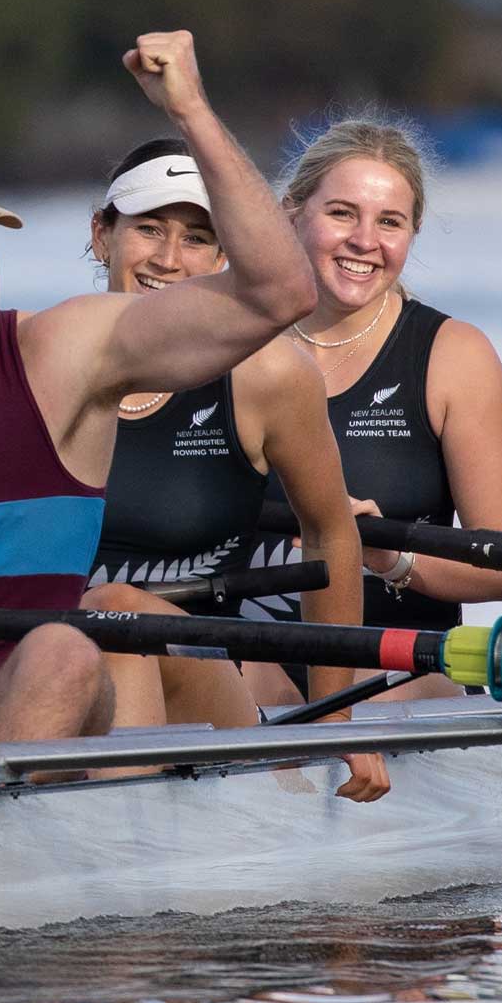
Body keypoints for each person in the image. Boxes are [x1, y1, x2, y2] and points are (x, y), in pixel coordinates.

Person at [0, 31, 318, 751]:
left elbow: (281, 292)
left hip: (39, 702)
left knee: (82, 640)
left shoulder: (58, 355)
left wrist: (190, 111)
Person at [74, 137, 386, 800]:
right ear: (102, 235)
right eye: (149, 229)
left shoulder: (265, 375)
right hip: (55, 663)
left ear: (222, 258)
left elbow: (330, 532)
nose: (168, 258)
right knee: (90, 629)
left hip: (204, 676)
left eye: (196, 238)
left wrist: (337, 717)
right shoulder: (41, 361)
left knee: (118, 612)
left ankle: (117, 836)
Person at [238, 116, 502, 694]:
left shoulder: (454, 356)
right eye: (341, 213)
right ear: (292, 212)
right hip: (248, 667)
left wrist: (388, 557)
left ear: (412, 233)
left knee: (376, 689)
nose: (364, 241)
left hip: (397, 668)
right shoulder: (230, 348)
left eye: (389, 222)